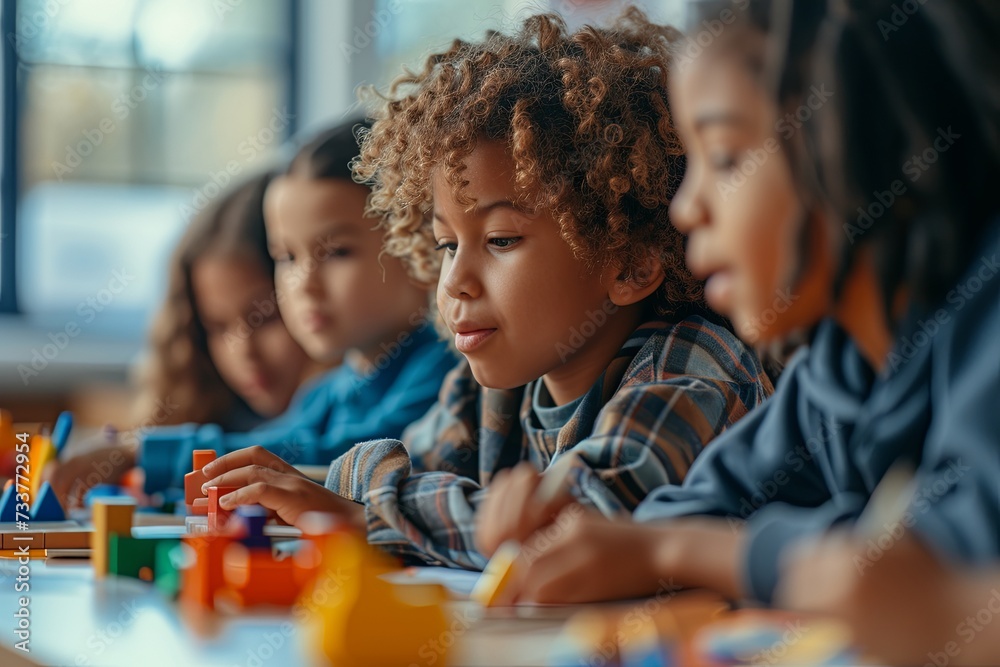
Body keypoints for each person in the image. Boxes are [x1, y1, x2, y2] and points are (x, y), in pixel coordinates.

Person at [199, 10, 773, 570]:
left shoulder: (690, 367)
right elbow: (401, 477)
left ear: (629, 264)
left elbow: (575, 530)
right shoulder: (497, 390)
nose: (455, 282)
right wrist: (297, 486)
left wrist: (364, 510)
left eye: (500, 240)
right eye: (448, 245)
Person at [484, 0, 1000, 607]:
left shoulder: (983, 324)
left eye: (725, 157)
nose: (686, 209)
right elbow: (696, 512)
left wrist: (677, 553)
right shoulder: (840, 370)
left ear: (868, 144)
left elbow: (936, 572)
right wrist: (603, 539)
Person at [50, 120, 458, 506]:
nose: (304, 285)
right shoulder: (326, 392)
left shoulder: (444, 370)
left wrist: (146, 452)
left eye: (337, 252)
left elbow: (351, 458)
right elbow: (268, 448)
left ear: (418, 241)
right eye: (287, 257)